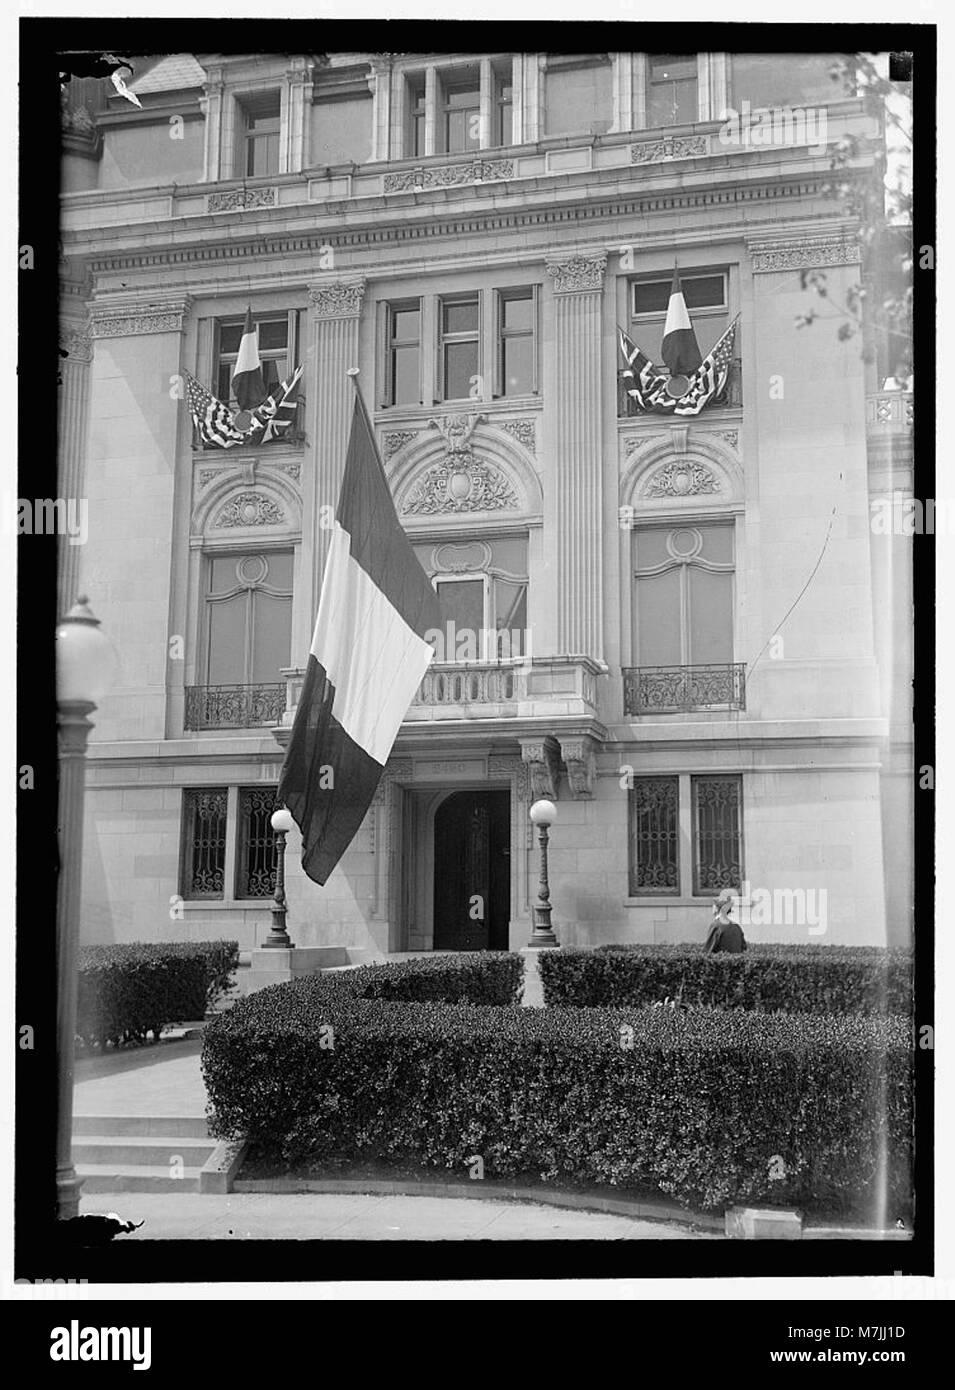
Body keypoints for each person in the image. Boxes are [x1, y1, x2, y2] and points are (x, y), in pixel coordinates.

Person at [704, 888, 746, 954]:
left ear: (716, 909)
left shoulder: (716, 926)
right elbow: (744, 948)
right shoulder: (737, 927)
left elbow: (708, 951)